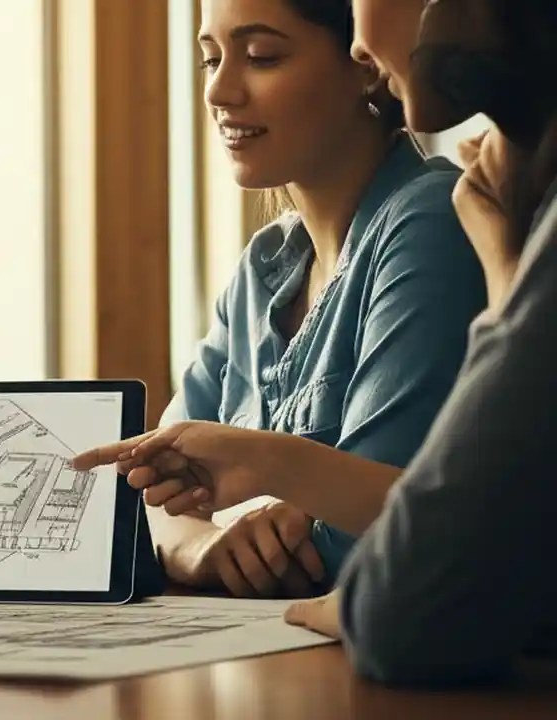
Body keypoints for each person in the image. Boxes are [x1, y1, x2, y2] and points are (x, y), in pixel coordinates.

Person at [82, 0, 557, 686]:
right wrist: (208, 548)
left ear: (362, 68)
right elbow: (154, 485)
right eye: (211, 58)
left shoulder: (428, 219)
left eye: (263, 56)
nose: (219, 90)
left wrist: (267, 471)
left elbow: (392, 539)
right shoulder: (264, 264)